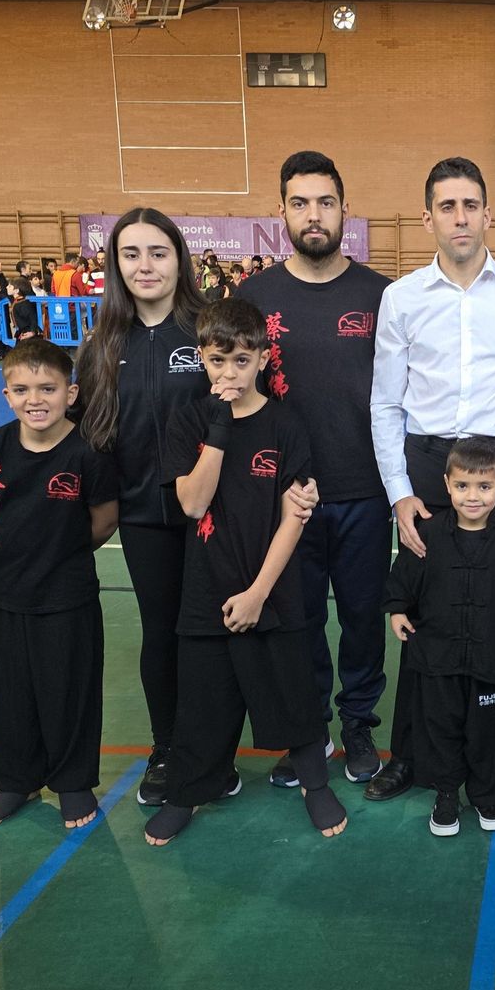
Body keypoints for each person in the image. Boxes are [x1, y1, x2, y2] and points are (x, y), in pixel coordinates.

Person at [71, 208, 320, 808]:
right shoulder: (102, 344)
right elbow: (83, 435)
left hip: (220, 517)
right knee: (163, 636)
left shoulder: (205, 330)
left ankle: (226, 749)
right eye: (131, 254)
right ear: (115, 263)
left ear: (180, 258)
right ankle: (172, 747)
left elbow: (264, 406)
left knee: (229, 631)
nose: (145, 265)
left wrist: (295, 484)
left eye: (158, 252)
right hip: (145, 516)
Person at [368, 155, 495, 819]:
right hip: (428, 467)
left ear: (488, 214)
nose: (460, 217)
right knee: (426, 620)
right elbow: (385, 406)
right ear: (429, 218)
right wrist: (400, 492)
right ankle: (411, 756)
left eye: (471, 205)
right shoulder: (400, 299)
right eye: (447, 206)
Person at [145, 297, 346, 844]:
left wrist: (259, 592)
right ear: (202, 360)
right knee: (202, 703)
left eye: (240, 360)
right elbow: (191, 503)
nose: (229, 373)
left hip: (272, 591)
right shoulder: (190, 420)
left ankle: (314, 783)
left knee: (293, 690)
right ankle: (188, 793)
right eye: (217, 361)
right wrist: (217, 427)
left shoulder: (285, 425)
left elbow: (293, 518)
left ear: (262, 357)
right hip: (205, 589)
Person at [236, 150, 393, 785]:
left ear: (344, 211)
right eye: (300, 203)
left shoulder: (383, 295)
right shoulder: (255, 296)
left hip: (365, 492)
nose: (314, 215)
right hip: (285, 498)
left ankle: (358, 725)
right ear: (282, 214)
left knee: (361, 619)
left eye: (325, 202)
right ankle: (309, 736)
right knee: (297, 623)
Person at [0, 338, 121, 829]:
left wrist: (59, 554)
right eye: (22, 389)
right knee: (9, 691)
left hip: (66, 594)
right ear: (6, 395)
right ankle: (16, 779)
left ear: (71, 393)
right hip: (3, 592)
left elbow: (104, 522)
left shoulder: (90, 453)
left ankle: (73, 782)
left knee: (67, 690)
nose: (36, 399)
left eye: (48, 388)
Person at [385, 438, 495, 835]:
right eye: (462, 486)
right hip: (440, 656)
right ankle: (445, 794)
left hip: (492, 658)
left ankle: (488, 796)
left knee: (488, 730)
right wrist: (398, 608)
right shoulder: (428, 535)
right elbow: (407, 576)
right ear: (446, 484)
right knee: (441, 727)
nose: (472, 497)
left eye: (484, 487)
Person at [9, 277, 41, 342]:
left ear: (16, 291)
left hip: (28, 334)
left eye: (9, 286)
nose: (7, 287)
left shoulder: (24, 304)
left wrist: (32, 332)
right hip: (22, 333)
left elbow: (32, 317)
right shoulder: (17, 301)